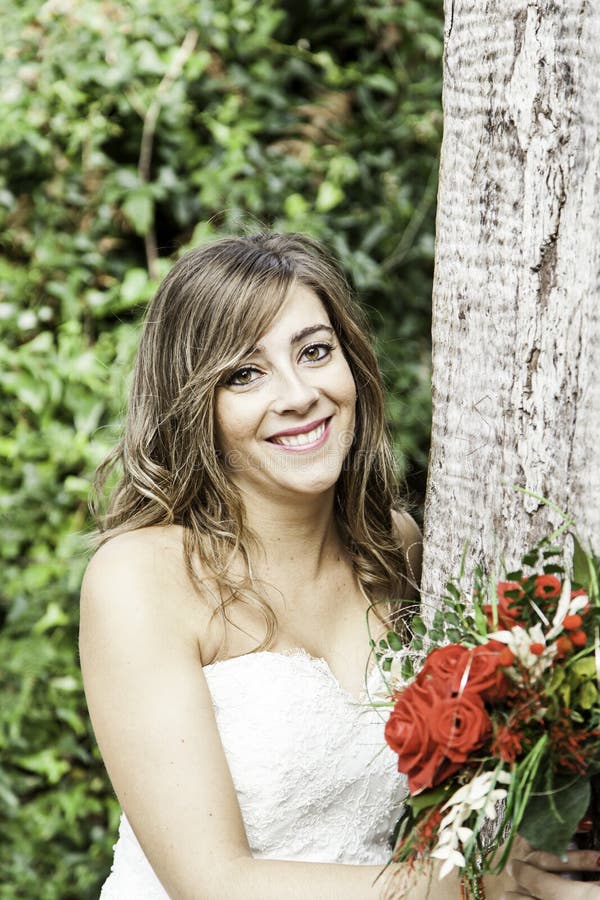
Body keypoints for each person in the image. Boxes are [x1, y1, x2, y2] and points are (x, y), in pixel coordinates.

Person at [80, 232, 599, 899]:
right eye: (245, 373)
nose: (297, 394)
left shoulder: (399, 553)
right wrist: (468, 886)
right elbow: (212, 883)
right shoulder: (141, 579)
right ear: (196, 407)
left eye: (314, 352)